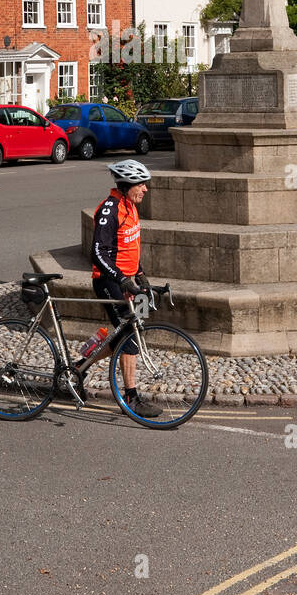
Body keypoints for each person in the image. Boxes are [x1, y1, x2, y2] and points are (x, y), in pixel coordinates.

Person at [91, 159, 161, 419]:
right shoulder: (111, 209)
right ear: (128, 184)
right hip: (108, 281)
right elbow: (98, 252)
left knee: (130, 330)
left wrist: (141, 275)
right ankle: (131, 398)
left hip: (127, 280)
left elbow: (129, 245)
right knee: (130, 336)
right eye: (141, 184)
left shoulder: (130, 206)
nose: (145, 189)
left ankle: (81, 363)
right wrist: (120, 279)